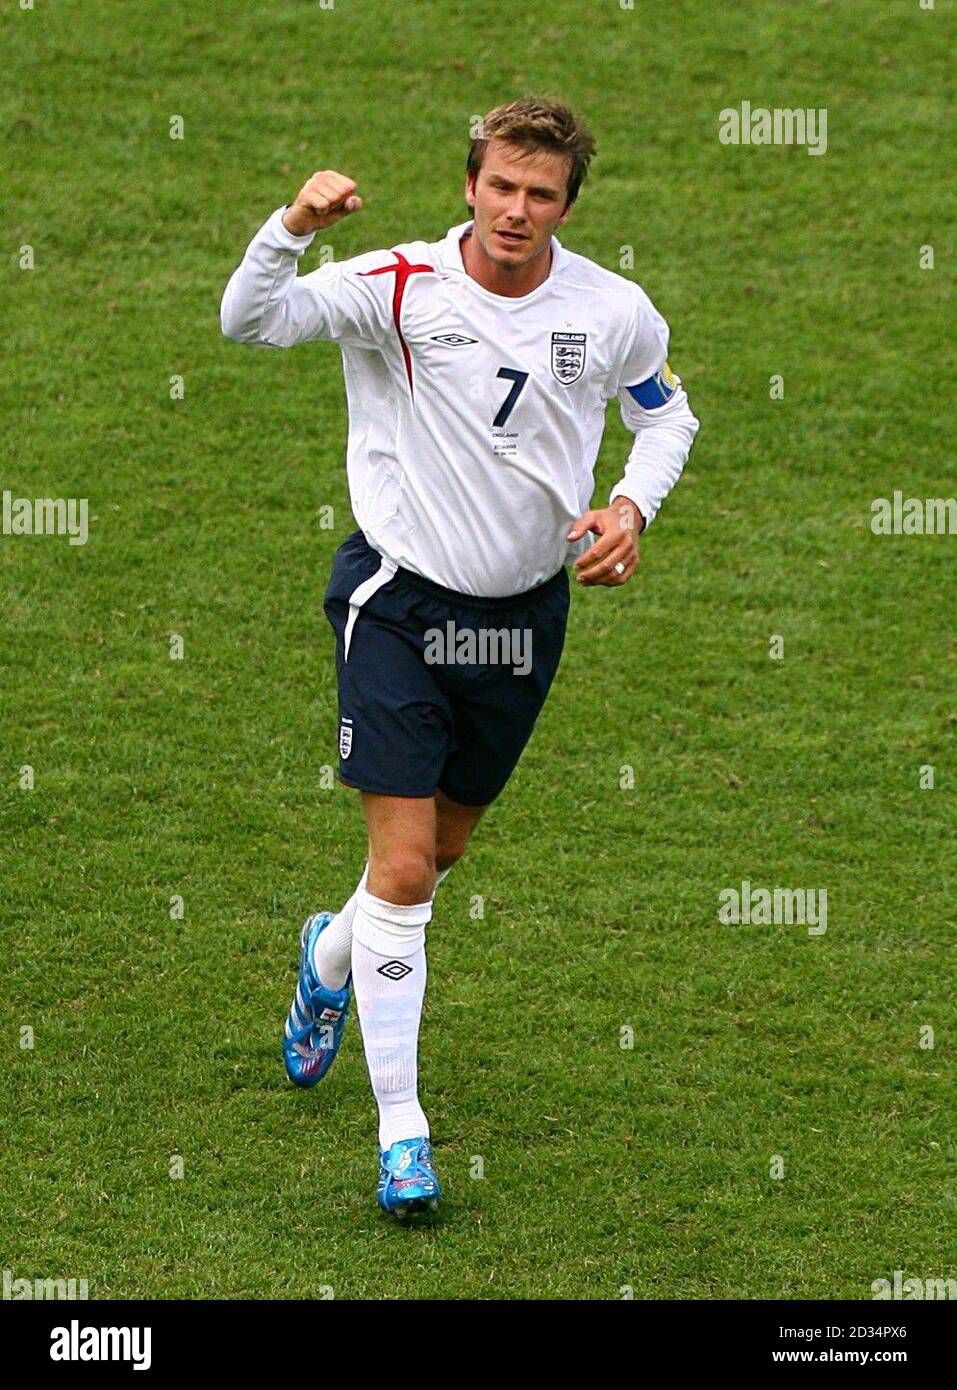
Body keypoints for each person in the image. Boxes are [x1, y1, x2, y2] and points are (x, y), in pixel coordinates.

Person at [221, 97, 700, 1219]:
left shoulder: (613, 310)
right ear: (470, 185)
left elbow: (666, 414)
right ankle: (403, 1135)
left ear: (568, 205)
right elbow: (251, 322)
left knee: (432, 861)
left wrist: (632, 502)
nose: (517, 210)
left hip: (523, 617)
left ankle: (328, 960)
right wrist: (292, 224)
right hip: (396, 601)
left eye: (541, 194)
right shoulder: (395, 286)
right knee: (400, 871)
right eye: (501, 186)